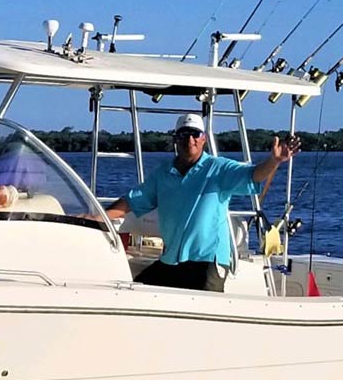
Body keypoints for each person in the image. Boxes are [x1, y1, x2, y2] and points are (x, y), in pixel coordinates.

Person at [105, 113, 301, 292]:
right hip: (172, 261)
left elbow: (253, 175)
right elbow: (131, 201)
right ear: (175, 139)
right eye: (183, 134)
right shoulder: (162, 175)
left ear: (204, 139)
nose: (190, 140)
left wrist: (274, 161)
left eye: (195, 134)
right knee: (136, 291)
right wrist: (97, 218)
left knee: (202, 309)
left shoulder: (219, 168)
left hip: (208, 262)